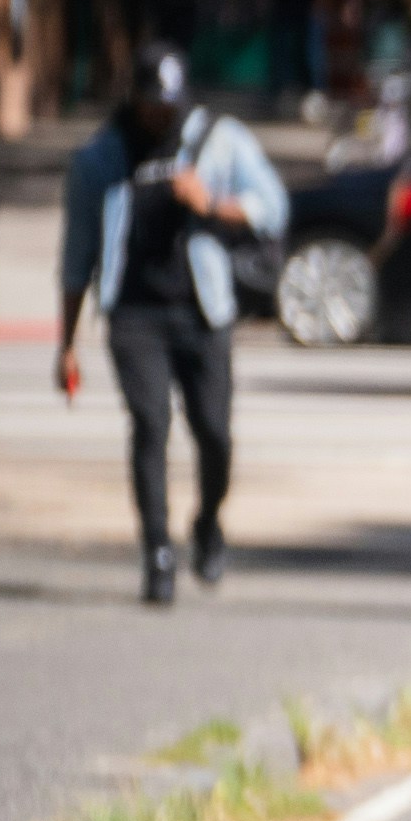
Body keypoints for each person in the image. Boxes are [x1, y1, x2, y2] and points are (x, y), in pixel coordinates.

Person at [57, 46, 290, 604]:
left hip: (202, 310)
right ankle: (157, 551)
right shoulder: (100, 159)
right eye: (152, 103)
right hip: (134, 313)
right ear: (135, 99)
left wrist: (209, 203)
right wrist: (65, 344)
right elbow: (77, 256)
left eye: (170, 103)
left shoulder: (219, 141)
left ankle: (207, 522)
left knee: (214, 432)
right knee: (150, 425)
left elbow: (273, 206)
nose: (162, 114)